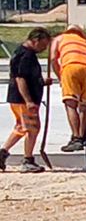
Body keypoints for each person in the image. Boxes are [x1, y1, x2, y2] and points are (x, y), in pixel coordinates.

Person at [2, 27, 51, 171]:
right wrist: (29, 101)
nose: (44, 49)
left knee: (21, 127)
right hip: (23, 99)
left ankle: (2, 153)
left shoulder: (24, 53)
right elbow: (20, 79)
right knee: (32, 128)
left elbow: (29, 78)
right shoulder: (25, 55)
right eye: (43, 45)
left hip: (18, 98)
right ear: (35, 41)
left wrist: (41, 82)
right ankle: (27, 160)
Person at [49, 23, 86, 151]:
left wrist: (60, 76)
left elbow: (53, 58)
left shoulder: (59, 39)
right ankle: (82, 137)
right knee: (84, 105)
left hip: (70, 67)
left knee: (70, 103)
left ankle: (76, 137)